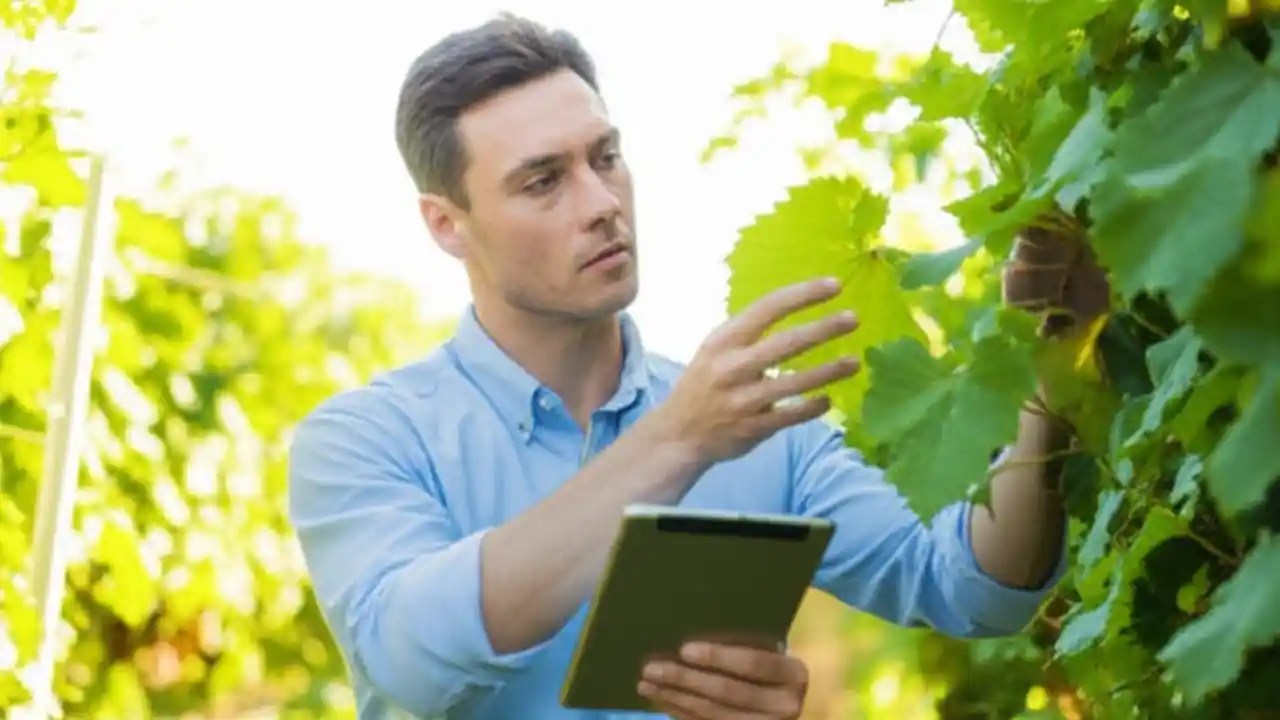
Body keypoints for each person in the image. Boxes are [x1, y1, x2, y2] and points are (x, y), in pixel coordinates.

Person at [288, 13, 1095, 720]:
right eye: (543, 181)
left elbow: (972, 587)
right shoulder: (364, 441)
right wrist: (677, 442)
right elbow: (415, 664)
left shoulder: (758, 426)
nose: (601, 201)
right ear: (446, 224)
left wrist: (1048, 369)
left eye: (605, 157)